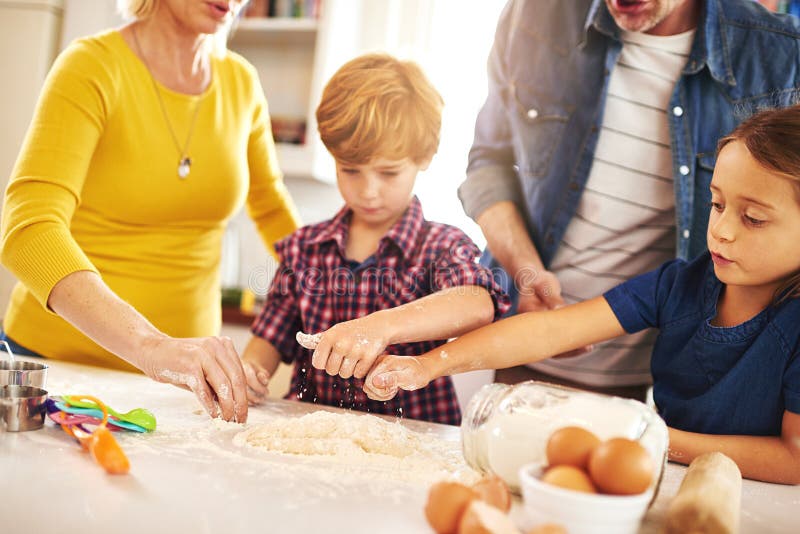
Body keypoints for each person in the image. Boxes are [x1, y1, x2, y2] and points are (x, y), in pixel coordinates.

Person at [364, 105, 800, 484]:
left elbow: (794, 459)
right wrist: (425, 364)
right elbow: (552, 330)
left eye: (754, 218)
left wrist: (643, 433)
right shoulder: (679, 284)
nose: (721, 231)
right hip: (666, 481)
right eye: (717, 204)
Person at [460, 0, 800, 399]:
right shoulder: (533, 14)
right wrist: (525, 270)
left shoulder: (781, 54)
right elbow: (487, 165)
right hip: (511, 354)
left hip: (661, 391)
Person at [0, 0, 301, 422]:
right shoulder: (91, 67)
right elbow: (29, 231)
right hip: (58, 369)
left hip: (184, 387)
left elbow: (272, 210)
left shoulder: (241, 82)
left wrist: (345, 291)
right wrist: (153, 346)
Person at [241, 53, 510, 425]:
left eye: (388, 173)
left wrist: (380, 326)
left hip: (413, 442)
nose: (368, 191)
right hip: (313, 437)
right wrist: (251, 371)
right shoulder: (304, 249)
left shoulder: (441, 245)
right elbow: (269, 339)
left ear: (426, 157)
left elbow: (477, 303)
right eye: (350, 170)